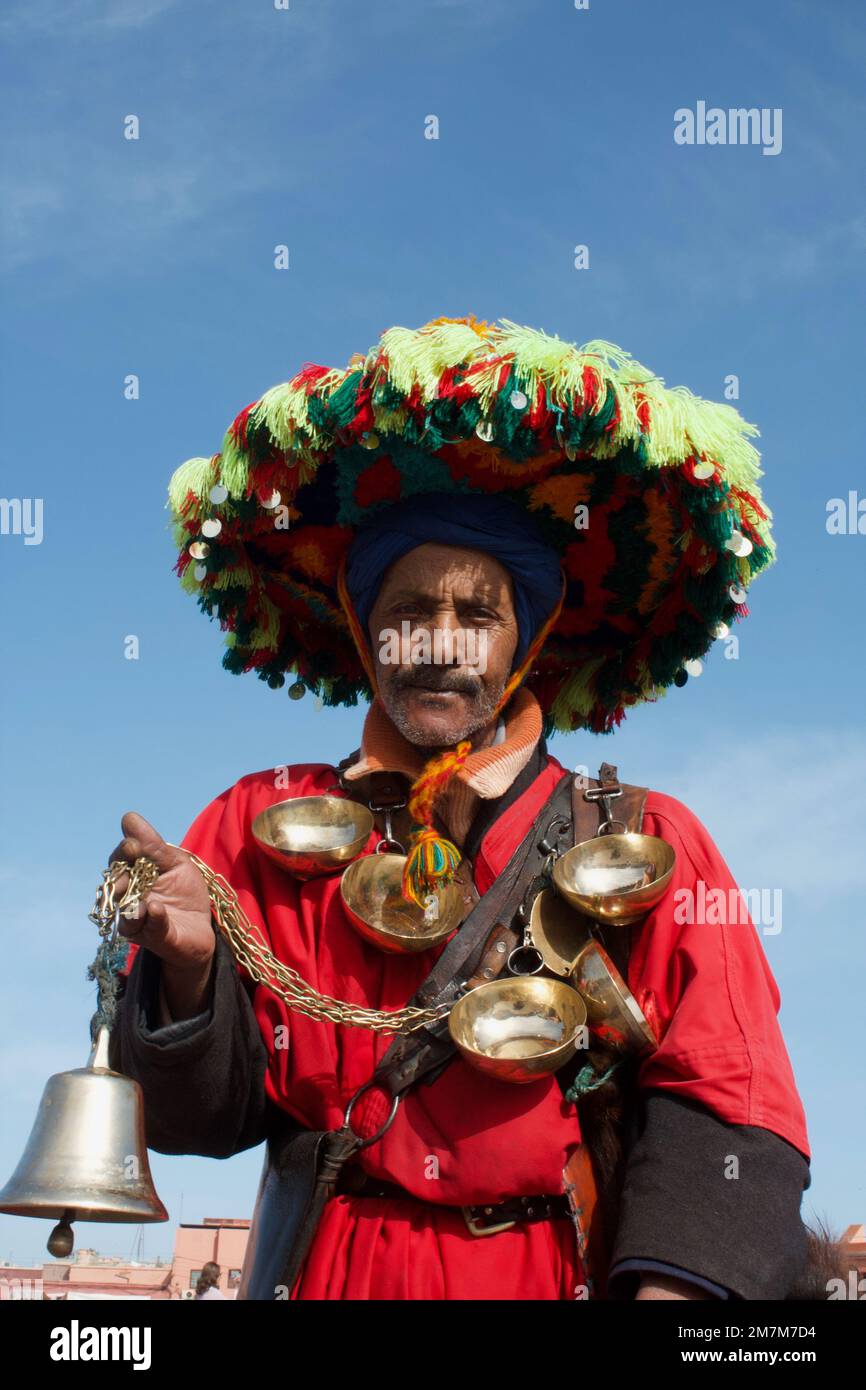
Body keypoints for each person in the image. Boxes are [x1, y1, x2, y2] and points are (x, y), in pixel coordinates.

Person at [109, 316, 815, 1301]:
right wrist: (185, 977)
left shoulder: (647, 839)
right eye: (406, 613)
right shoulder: (251, 825)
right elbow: (196, 1123)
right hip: (320, 1269)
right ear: (363, 627)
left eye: (474, 614)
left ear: (524, 638)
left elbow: (728, 1093)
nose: (438, 646)